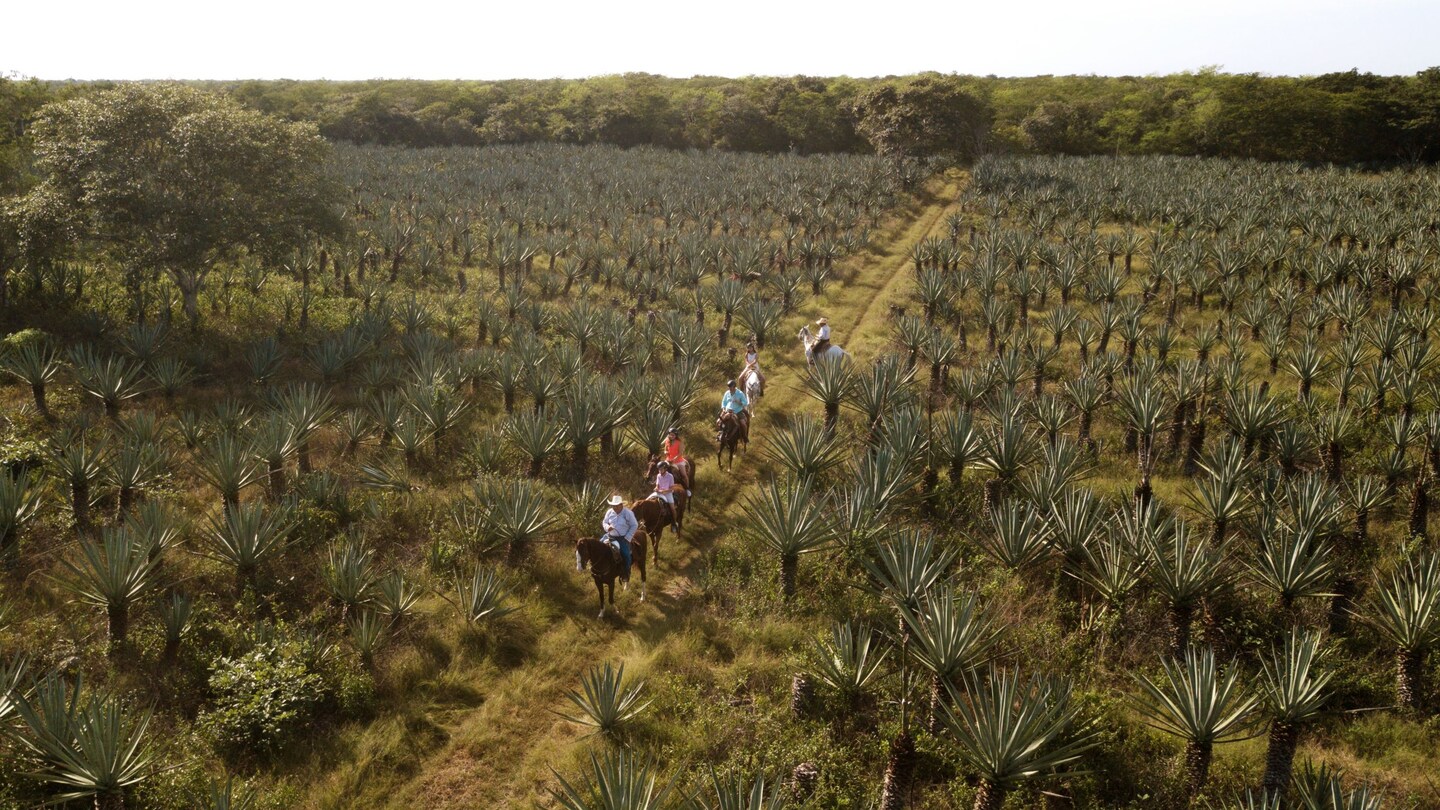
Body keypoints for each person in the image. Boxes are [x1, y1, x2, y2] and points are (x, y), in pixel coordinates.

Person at [601, 494, 638, 572]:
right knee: (598, 547)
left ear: (621, 505)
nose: (614, 507)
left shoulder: (628, 513)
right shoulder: (609, 512)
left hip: (622, 538)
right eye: (613, 506)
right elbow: (604, 522)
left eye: (616, 505)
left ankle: (626, 572)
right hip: (609, 536)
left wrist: (628, 537)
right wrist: (607, 527)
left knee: (626, 554)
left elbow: (634, 525)